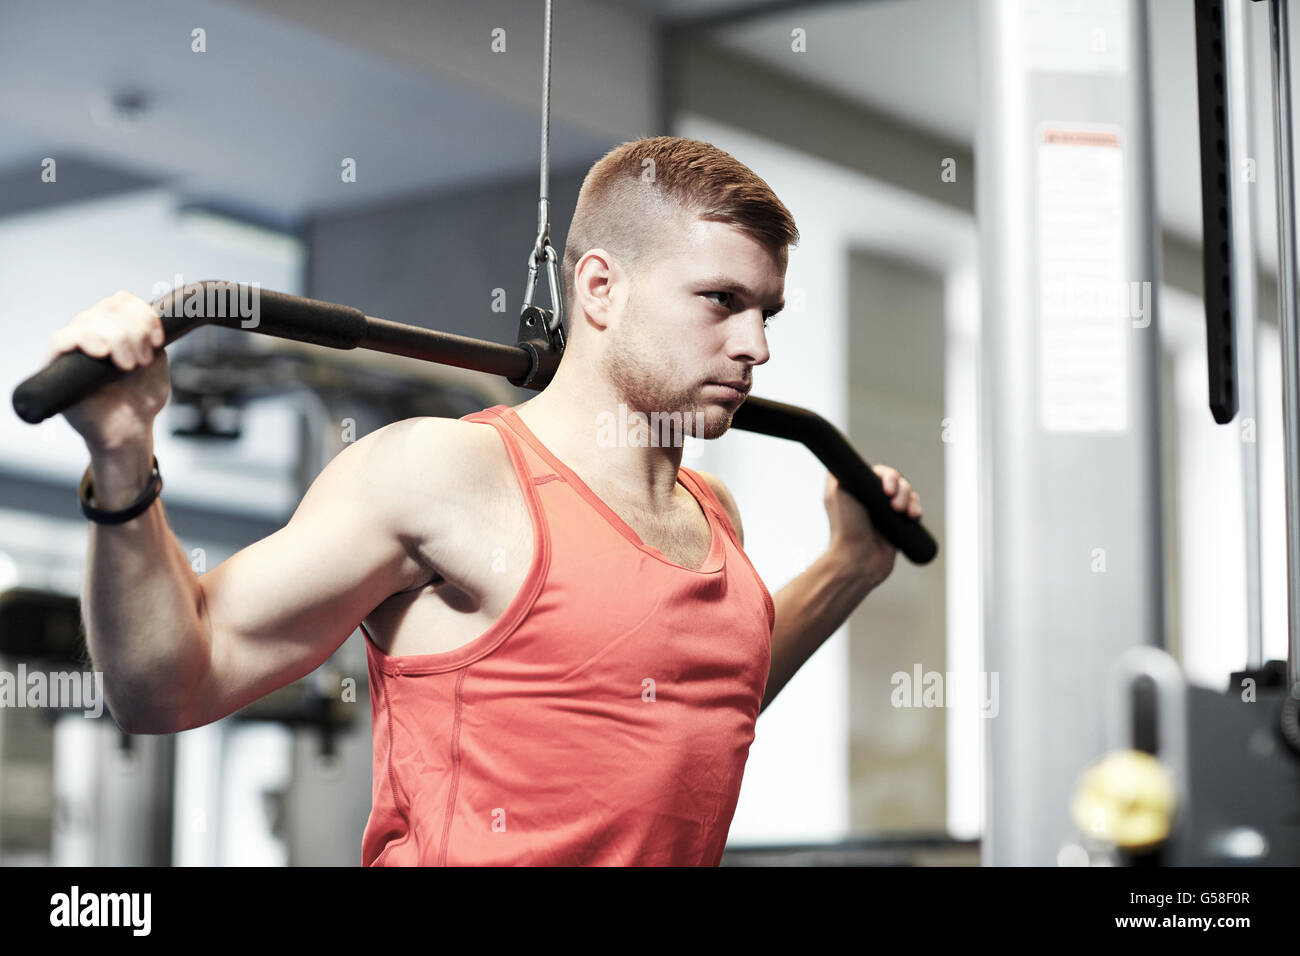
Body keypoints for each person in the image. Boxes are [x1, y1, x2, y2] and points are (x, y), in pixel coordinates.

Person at [51, 135, 921, 866]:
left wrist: (848, 568)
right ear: (599, 289)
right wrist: (124, 453)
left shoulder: (712, 511)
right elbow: (168, 685)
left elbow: (692, 697)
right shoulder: (444, 476)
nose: (756, 347)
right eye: (721, 302)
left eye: (766, 311)